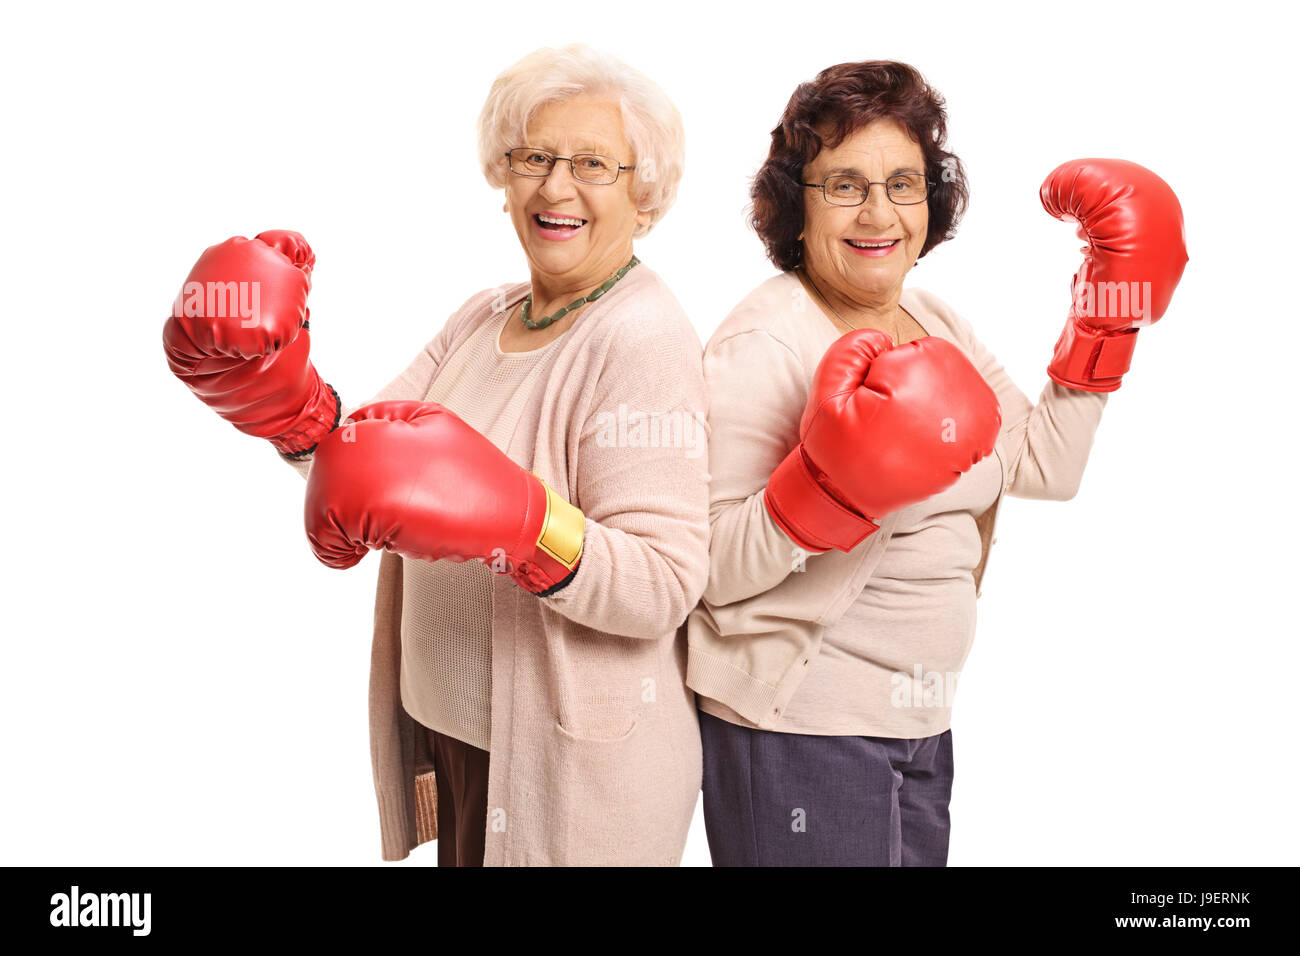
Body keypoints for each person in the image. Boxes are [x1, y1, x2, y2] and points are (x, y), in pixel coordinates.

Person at [163, 43, 708, 866]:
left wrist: (527, 525)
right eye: (533, 157)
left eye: (594, 163)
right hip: (461, 743)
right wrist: (284, 404)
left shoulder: (642, 335)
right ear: (503, 175)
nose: (556, 187)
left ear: (647, 193)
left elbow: (663, 584)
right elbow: (365, 454)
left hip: (566, 771)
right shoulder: (485, 314)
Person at [686, 60, 1187, 866]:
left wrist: (1105, 319)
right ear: (796, 204)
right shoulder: (765, 341)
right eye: (843, 184)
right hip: (801, 727)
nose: (879, 211)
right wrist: (829, 489)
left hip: (921, 724)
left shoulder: (934, 319)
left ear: (934, 198)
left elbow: (1043, 465)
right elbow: (704, 567)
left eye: (903, 183)